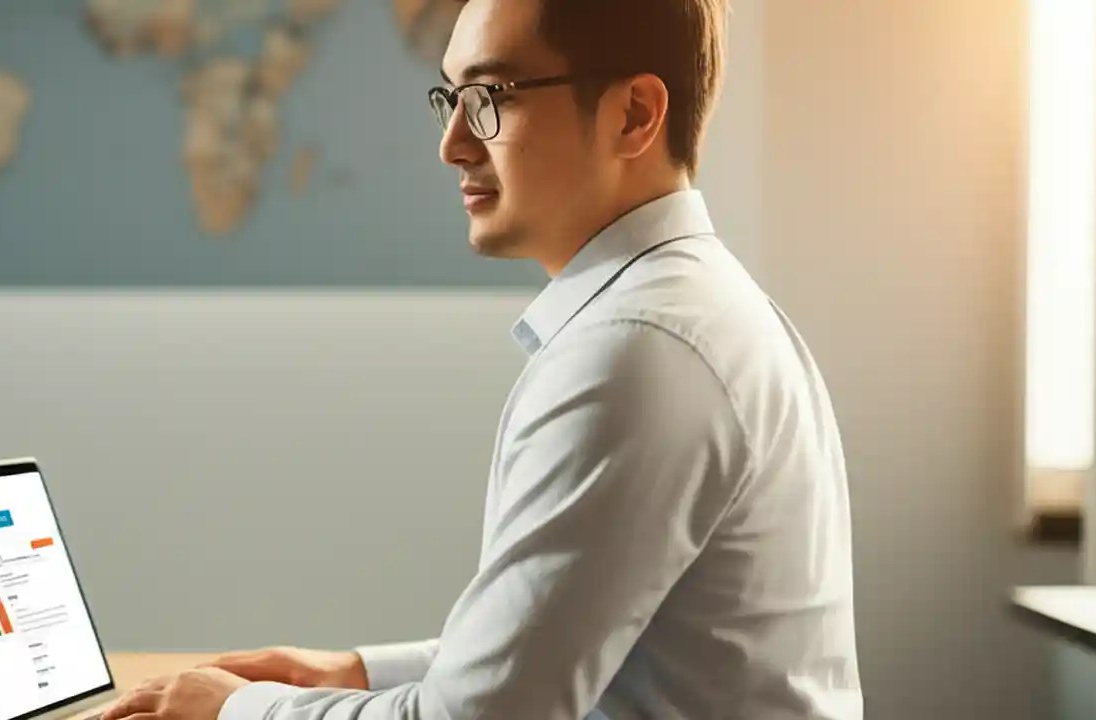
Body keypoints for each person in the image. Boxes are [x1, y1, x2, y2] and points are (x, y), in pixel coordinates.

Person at [103, 0, 862, 717]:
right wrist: (356, 673)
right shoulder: (697, 311)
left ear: (633, 115)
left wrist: (233, 708)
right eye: (452, 98)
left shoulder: (637, 352)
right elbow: (583, 636)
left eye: (492, 94)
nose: (453, 143)